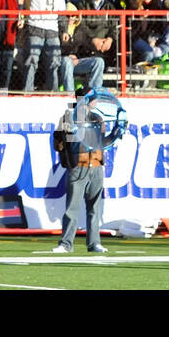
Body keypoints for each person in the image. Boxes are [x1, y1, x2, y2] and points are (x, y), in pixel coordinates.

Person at [52, 88, 112, 254]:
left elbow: (103, 141)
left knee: (94, 208)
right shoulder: (68, 118)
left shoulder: (97, 118)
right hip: (79, 165)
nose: (96, 101)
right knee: (72, 207)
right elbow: (58, 142)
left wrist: (115, 132)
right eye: (93, 98)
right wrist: (68, 154)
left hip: (96, 164)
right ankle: (66, 243)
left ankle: (94, 243)